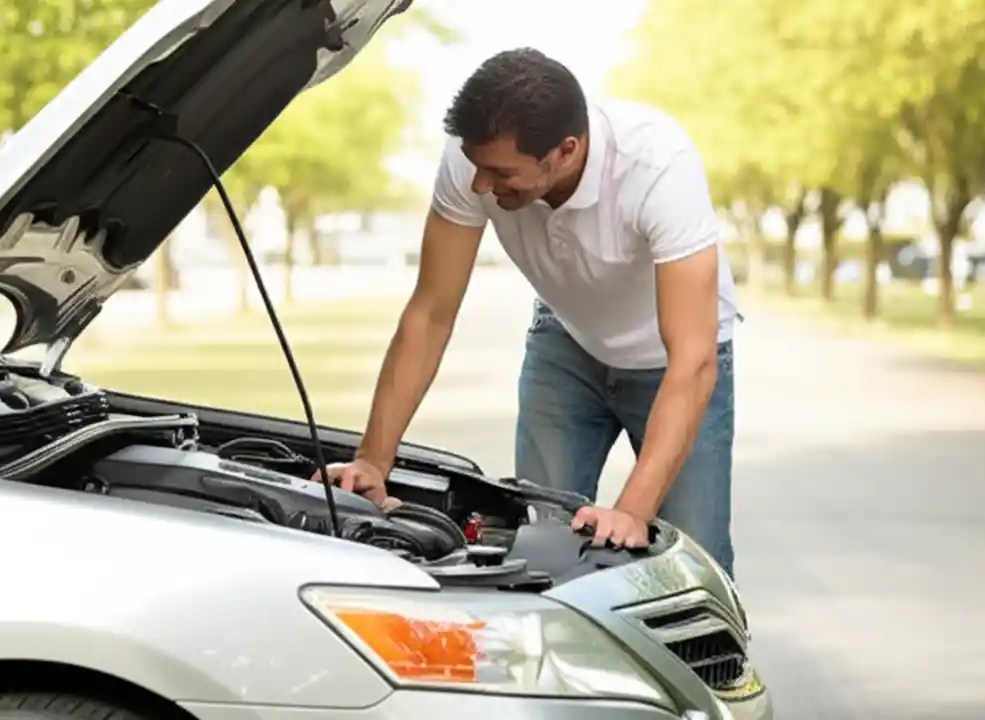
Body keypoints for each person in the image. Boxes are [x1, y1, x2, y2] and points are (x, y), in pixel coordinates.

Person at [312, 47, 741, 578]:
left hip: (672, 362)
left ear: (565, 151)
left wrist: (632, 511)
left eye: (500, 174)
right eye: (476, 167)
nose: (479, 186)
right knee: (538, 545)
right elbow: (430, 312)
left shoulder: (656, 166)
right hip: (566, 343)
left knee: (693, 565)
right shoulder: (474, 159)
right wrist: (373, 462)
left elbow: (694, 358)